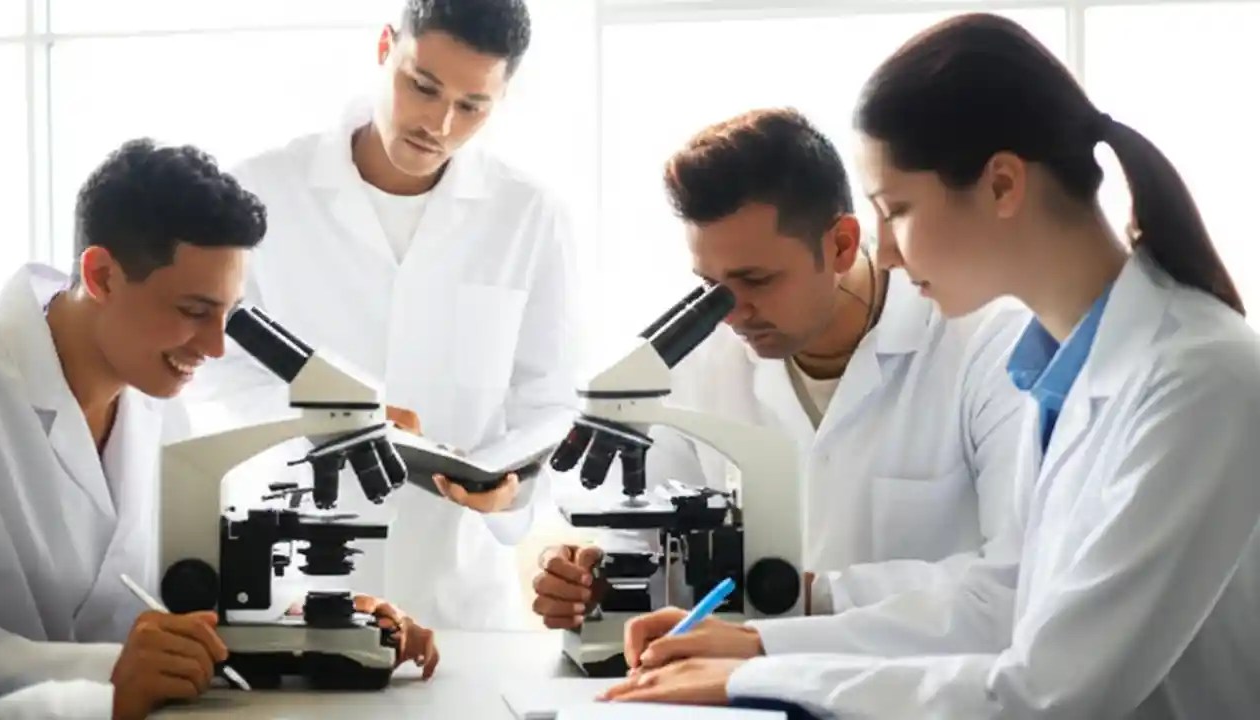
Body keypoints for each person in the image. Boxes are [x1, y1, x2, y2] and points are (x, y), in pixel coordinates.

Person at [602, 13, 1260, 719]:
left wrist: (755, 678)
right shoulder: (1060, 372)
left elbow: (1050, 693)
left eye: (898, 210)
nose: (882, 252)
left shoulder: (1197, 378)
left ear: (1003, 185)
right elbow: (1007, 606)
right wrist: (758, 646)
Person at [531, 108, 1029, 640]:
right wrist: (591, 576)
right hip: (740, 687)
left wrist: (808, 595)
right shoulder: (702, 359)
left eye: (757, 280)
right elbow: (646, 542)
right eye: (710, 286)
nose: (730, 312)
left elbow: (1014, 582)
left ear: (839, 244)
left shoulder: (984, 344)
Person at [0, 140, 433, 720]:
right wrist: (103, 675)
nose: (216, 348)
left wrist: (320, 624)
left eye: (228, 315)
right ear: (102, 275)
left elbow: (180, 587)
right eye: (194, 312)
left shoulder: (156, 400)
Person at [188, 0, 579, 631]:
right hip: (295, 582)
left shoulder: (530, 215)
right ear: (383, 49)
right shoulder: (262, 193)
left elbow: (550, 397)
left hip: (460, 599)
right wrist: (335, 424)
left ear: (504, 96)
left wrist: (510, 480)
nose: (439, 123)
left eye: (472, 106)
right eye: (421, 86)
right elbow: (214, 373)